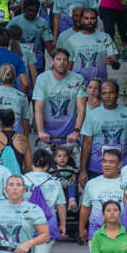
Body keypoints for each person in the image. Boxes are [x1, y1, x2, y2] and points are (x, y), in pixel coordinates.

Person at [23, 147, 68, 253]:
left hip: (26, 223)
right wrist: (63, 225)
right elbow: (61, 205)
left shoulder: (23, 179)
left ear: (32, 163)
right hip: (47, 223)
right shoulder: (54, 182)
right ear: (48, 165)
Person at [33, 46, 87, 178]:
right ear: (52, 61)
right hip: (47, 135)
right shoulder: (42, 79)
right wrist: (40, 131)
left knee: (72, 172)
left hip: (69, 134)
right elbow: (38, 107)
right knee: (44, 173)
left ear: (68, 62)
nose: (61, 62)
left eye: (64, 60)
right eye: (58, 59)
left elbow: (81, 108)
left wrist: (76, 131)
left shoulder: (77, 79)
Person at [82, 146, 127, 253]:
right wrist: (81, 228)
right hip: (96, 234)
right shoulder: (91, 183)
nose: (107, 165)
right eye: (104, 161)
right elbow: (85, 207)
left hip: (121, 235)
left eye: (112, 162)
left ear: (119, 165)